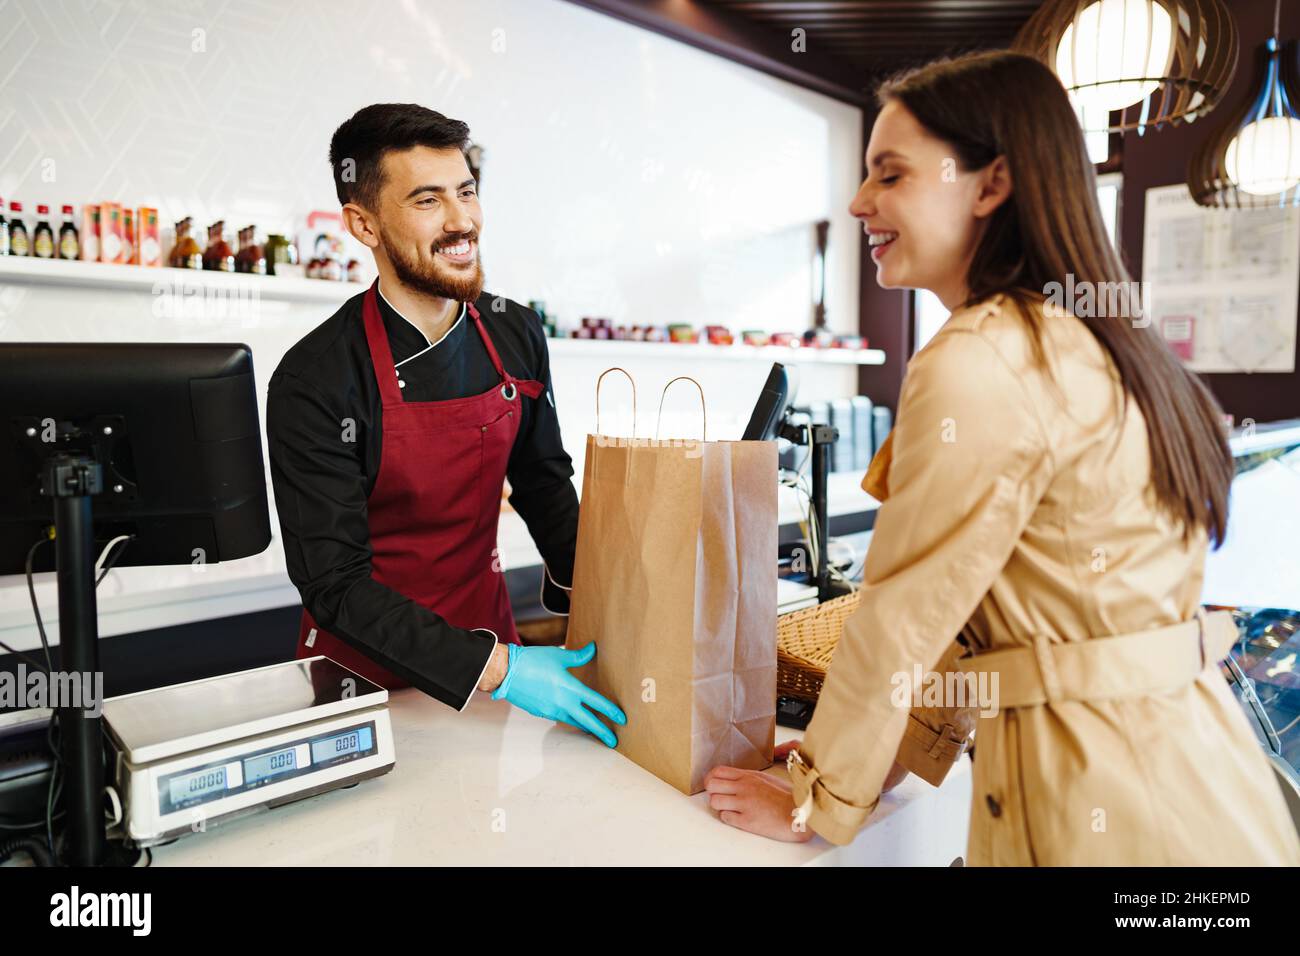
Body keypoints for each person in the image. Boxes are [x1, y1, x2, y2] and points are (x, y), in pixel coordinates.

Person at [704, 51, 1300, 865]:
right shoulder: (1097, 340)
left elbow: (901, 612)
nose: (858, 202)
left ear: (989, 185)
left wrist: (821, 795)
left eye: (890, 175)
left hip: (1102, 798)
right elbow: (972, 599)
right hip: (1199, 781)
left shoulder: (979, 358)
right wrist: (857, 768)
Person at [267, 103, 625, 747]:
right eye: (428, 200)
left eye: (466, 192)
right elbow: (335, 585)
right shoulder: (314, 379)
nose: (463, 222)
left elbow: (545, 483)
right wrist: (497, 669)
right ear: (363, 224)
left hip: (492, 646)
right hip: (364, 679)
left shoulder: (515, 329)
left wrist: (608, 605)